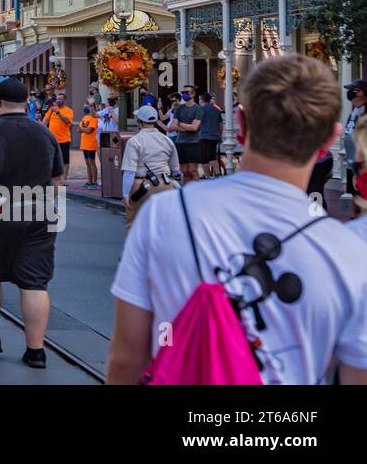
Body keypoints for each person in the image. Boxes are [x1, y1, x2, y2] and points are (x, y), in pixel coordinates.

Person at [108, 55, 367, 385]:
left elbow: (128, 357)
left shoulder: (164, 215)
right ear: (329, 140)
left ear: (242, 125)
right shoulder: (351, 253)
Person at [0, 77, 65, 369]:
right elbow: (58, 180)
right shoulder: (45, 134)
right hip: (38, 213)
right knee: (34, 281)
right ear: (26, 101)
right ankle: (36, 350)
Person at [120, 105, 181, 231]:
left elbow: (129, 171)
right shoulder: (167, 140)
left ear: (140, 122)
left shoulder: (134, 141)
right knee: (163, 224)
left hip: (142, 186)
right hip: (166, 184)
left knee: (134, 224)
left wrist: (125, 194)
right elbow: (175, 169)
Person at [168, 87, 202, 182]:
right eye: (182, 92)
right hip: (180, 142)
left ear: (193, 94)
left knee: (193, 170)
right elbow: (172, 126)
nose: (184, 94)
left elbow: (195, 128)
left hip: (193, 142)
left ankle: (196, 192)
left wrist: (179, 124)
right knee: (184, 171)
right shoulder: (179, 108)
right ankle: (186, 192)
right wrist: (188, 127)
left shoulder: (198, 109)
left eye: (186, 92)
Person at [41, 91, 73, 183]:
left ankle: (64, 179)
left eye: (60, 99)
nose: (58, 101)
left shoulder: (68, 110)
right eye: (57, 99)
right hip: (52, 139)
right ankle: (54, 178)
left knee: (65, 160)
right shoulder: (51, 110)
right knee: (52, 159)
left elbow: (67, 121)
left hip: (64, 139)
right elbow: (46, 120)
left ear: (64, 100)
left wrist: (57, 112)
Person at [196, 90, 224, 178]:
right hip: (215, 137)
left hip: (204, 136)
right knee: (212, 156)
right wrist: (220, 135)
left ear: (202, 99)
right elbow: (220, 124)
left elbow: (197, 124)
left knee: (204, 159)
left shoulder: (200, 110)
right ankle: (218, 174)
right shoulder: (216, 110)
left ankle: (208, 177)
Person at [78, 106, 99, 190]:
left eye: (88, 106)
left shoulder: (94, 118)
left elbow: (89, 130)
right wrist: (84, 129)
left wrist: (82, 129)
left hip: (91, 143)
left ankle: (94, 182)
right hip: (84, 143)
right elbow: (78, 130)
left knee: (92, 163)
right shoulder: (84, 117)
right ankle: (89, 181)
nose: (85, 107)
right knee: (87, 164)